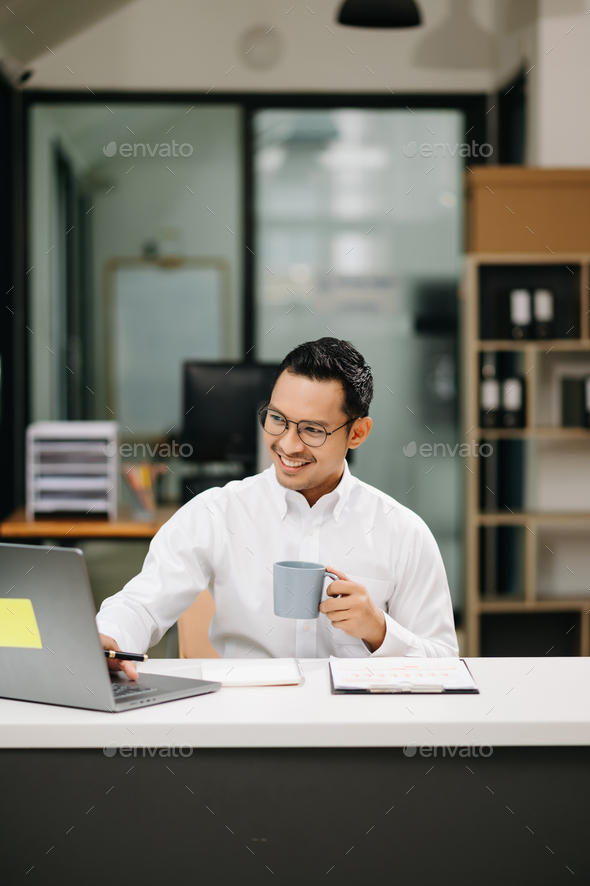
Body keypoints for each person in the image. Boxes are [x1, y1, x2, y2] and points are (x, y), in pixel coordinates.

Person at [97, 337, 458, 678]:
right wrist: (108, 641)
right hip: (245, 722)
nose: (287, 444)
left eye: (312, 430)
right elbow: (140, 604)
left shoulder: (403, 532)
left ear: (358, 433)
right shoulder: (217, 513)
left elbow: (444, 662)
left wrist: (379, 631)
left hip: (356, 727)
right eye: (277, 419)